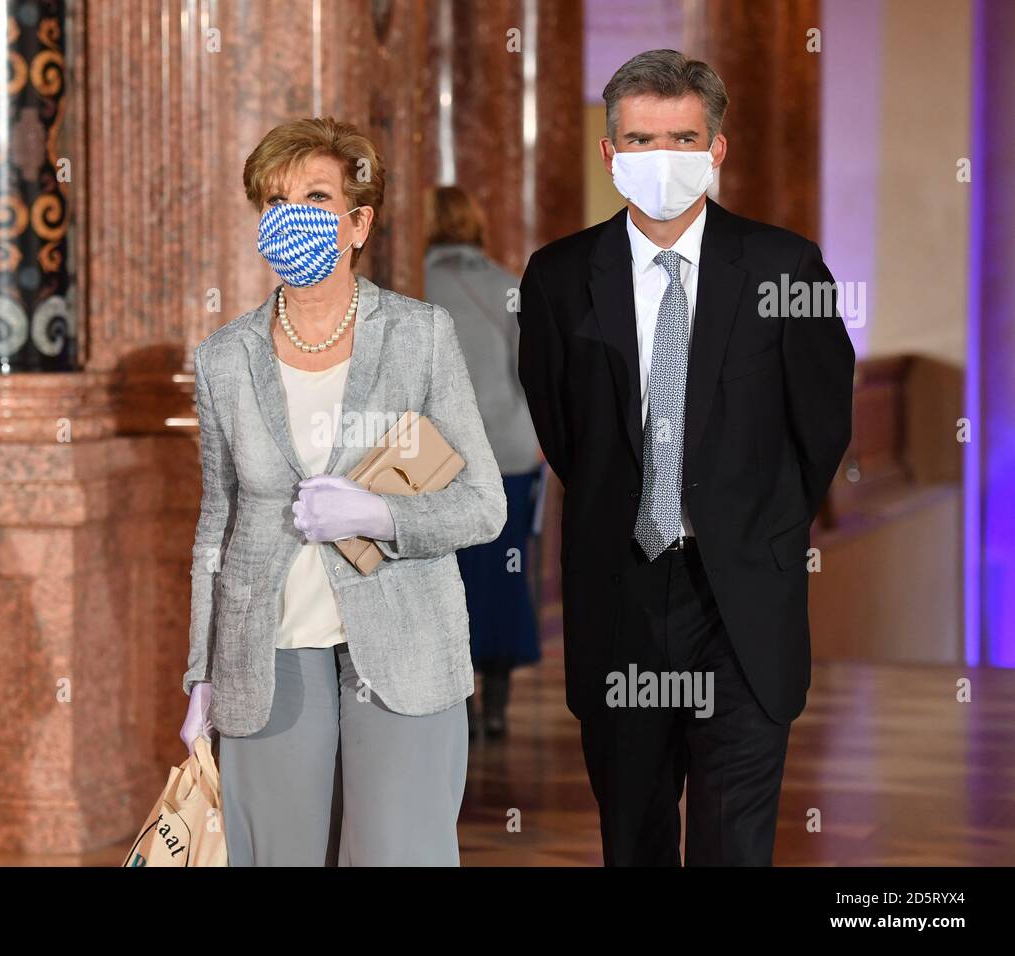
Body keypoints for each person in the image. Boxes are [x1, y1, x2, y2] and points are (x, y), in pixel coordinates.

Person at [517, 50, 854, 865]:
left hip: (740, 596)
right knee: (632, 838)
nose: (659, 156)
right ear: (609, 154)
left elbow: (822, 426)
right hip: (621, 592)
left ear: (717, 149)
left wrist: (756, 528)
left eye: (681, 136)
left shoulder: (784, 266)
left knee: (732, 842)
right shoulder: (559, 277)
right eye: (639, 139)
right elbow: (567, 433)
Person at [178, 117, 507, 866]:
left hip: (404, 641)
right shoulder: (224, 359)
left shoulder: (420, 336)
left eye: (315, 196)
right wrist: (201, 673)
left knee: (399, 854)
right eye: (275, 199)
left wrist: (381, 514)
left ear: (359, 223)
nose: (290, 215)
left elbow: (484, 503)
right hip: (270, 649)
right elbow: (215, 527)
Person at [423, 186, 542, 739]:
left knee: (447, 579)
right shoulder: (506, 285)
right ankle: (497, 705)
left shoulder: (407, 286)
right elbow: (533, 374)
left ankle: (458, 705)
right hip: (507, 454)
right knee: (506, 572)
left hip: (431, 461)